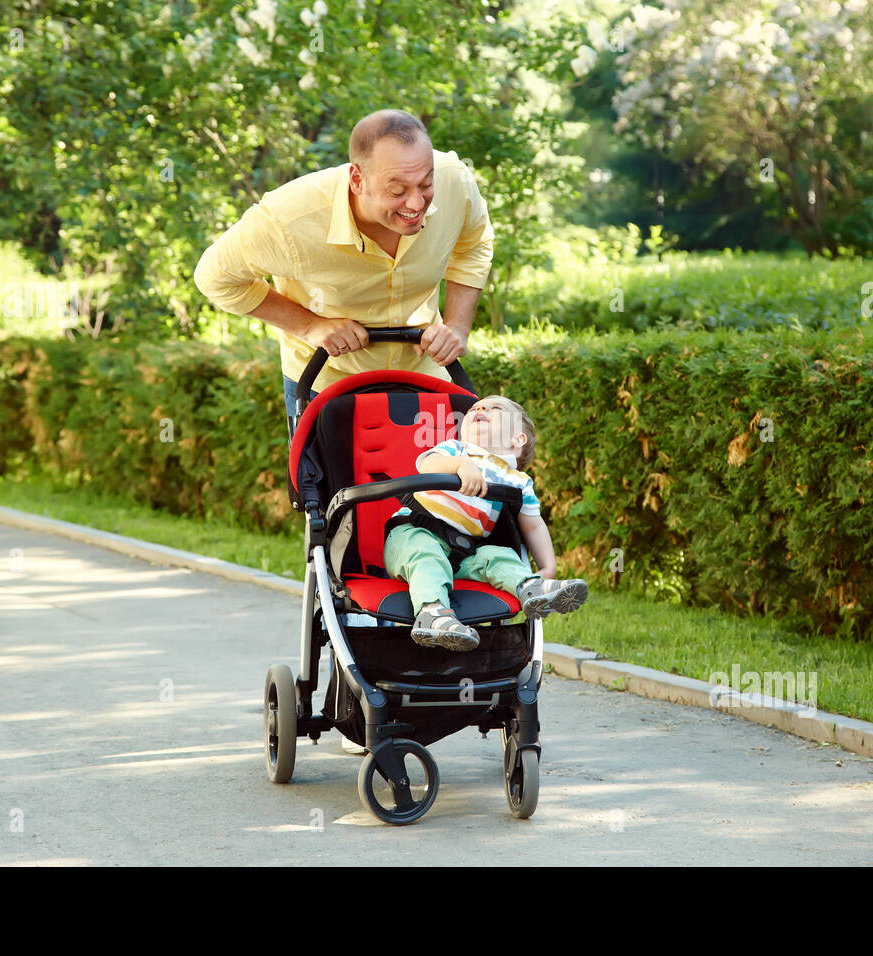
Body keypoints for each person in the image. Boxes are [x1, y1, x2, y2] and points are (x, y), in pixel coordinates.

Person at [192, 109, 493, 431]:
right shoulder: (288, 220)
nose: (417, 203)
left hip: (425, 374)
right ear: (357, 180)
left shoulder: (455, 181)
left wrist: (458, 325)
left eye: (426, 184)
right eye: (397, 191)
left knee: (439, 478)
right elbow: (215, 278)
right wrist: (310, 326)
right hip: (328, 382)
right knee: (332, 482)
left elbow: (473, 246)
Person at [384, 395, 588, 651]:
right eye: (474, 408)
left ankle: (531, 586)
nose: (480, 408)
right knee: (427, 555)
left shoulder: (518, 480)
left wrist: (548, 566)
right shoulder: (457, 450)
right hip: (413, 534)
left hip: (464, 554)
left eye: (496, 408)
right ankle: (432, 613)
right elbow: (427, 464)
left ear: (517, 440)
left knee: (498, 555)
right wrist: (461, 465)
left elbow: (533, 525)